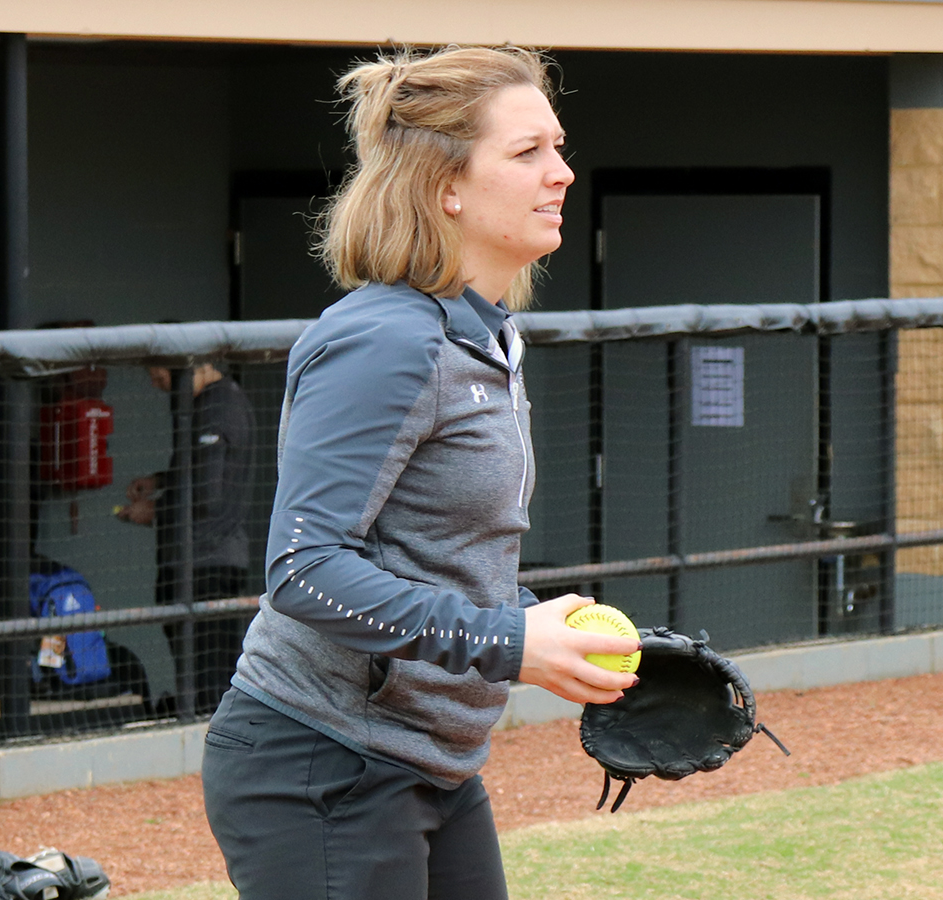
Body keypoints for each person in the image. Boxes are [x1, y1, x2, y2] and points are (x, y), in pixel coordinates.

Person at [200, 45, 639, 899]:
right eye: (527, 153)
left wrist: (542, 625)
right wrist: (511, 643)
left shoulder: (486, 337)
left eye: (558, 145)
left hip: (431, 764)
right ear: (446, 186)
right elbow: (303, 570)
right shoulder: (385, 337)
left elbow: (425, 559)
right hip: (319, 763)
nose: (563, 172)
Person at [114, 360, 254, 717]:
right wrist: (160, 481)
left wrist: (156, 512)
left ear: (194, 365)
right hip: (210, 558)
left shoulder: (217, 406)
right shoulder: (218, 399)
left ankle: (206, 752)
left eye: (162, 377)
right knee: (203, 671)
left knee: (207, 679)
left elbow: (207, 494)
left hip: (205, 563)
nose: (159, 386)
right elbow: (199, 472)